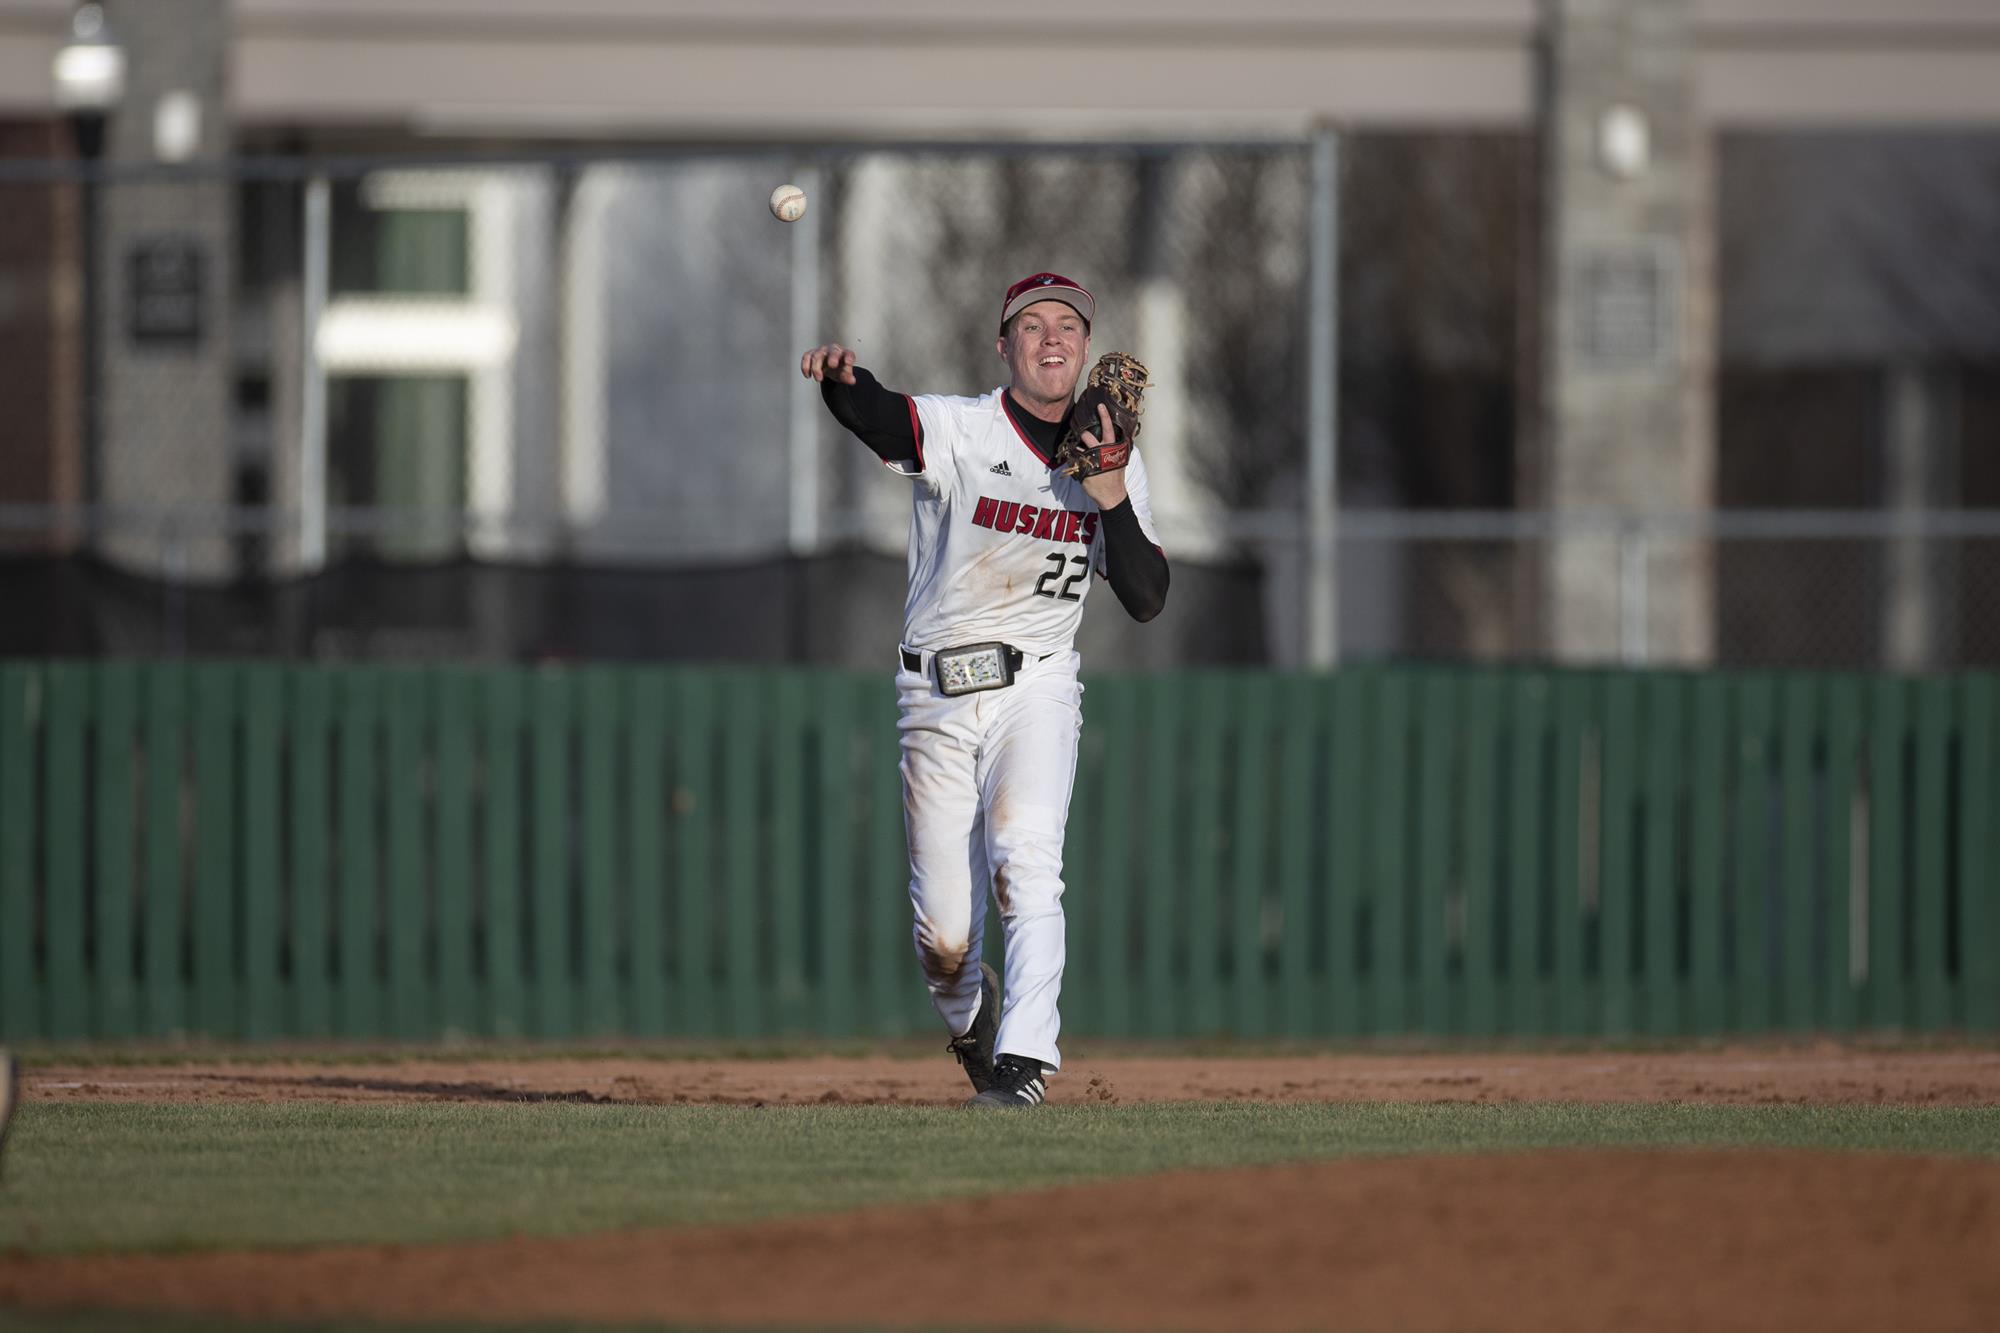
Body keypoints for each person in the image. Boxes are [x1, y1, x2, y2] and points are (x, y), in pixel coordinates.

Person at [801, 273, 1169, 1109]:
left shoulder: (1113, 457)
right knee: (944, 937)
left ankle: (1026, 1060)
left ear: (1085, 346)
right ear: (1003, 346)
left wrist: (1110, 495)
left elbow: (1147, 596)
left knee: (1026, 859)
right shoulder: (967, 429)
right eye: (1030, 325)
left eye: (1067, 327)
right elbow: (883, 415)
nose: (1050, 339)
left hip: (1037, 684)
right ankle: (974, 1022)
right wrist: (838, 381)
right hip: (936, 690)